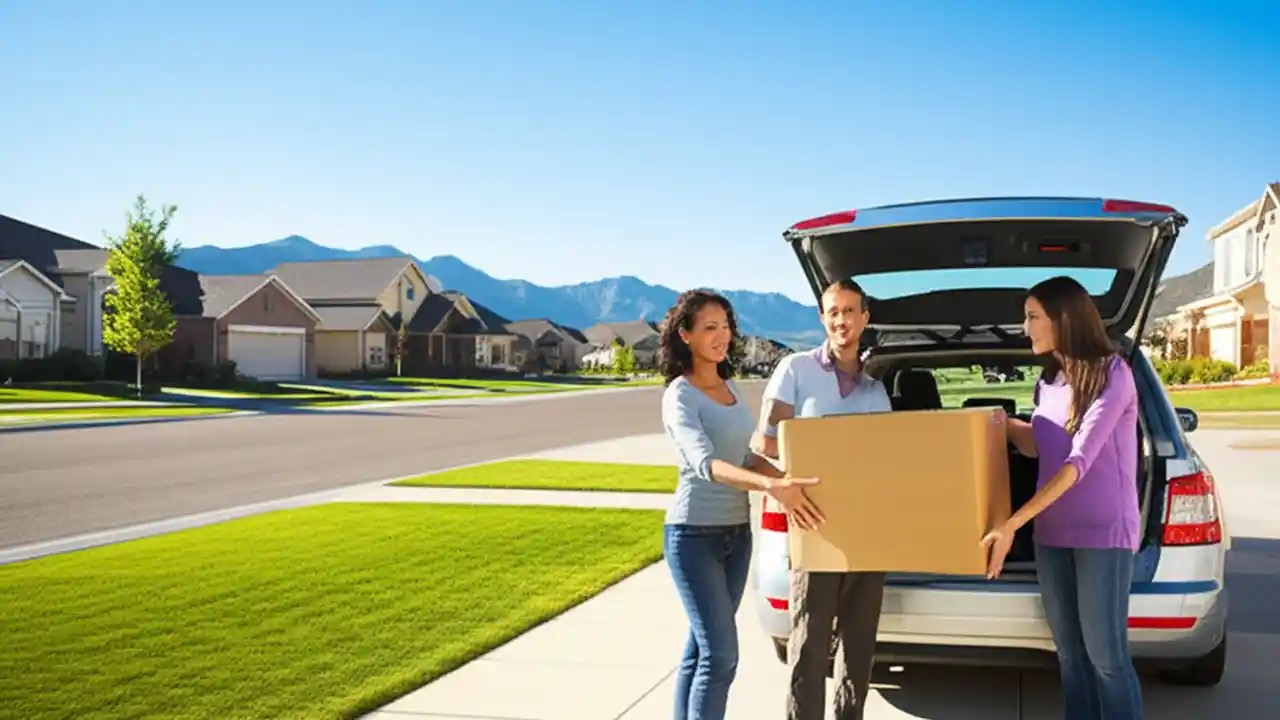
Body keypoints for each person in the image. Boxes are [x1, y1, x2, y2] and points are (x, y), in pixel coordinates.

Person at [981, 275, 1145, 720]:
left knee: (1107, 660)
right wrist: (992, 426)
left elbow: (1077, 462)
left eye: (1033, 316)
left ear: (1063, 319)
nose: (1025, 327)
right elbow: (1042, 444)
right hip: (1052, 534)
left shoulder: (1114, 374)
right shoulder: (1047, 381)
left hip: (1103, 536)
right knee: (1070, 656)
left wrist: (1011, 524)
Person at [659, 288, 823, 720]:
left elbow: (745, 457)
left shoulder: (729, 386)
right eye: (709, 327)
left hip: (736, 535)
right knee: (721, 656)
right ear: (686, 335)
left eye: (726, 326)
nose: (721, 335)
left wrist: (782, 477)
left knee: (700, 649)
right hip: (693, 536)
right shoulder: (680, 395)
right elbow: (706, 463)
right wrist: (769, 490)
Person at [752, 278, 893, 720]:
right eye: (833, 311)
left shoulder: (876, 390)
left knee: (859, 648)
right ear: (822, 318)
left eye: (850, 311)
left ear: (864, 318)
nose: (841, 320)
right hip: (814, 528)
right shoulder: (795, 370)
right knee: (810, 646)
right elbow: (765, 443)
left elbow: (893, 461)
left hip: (867, 533)